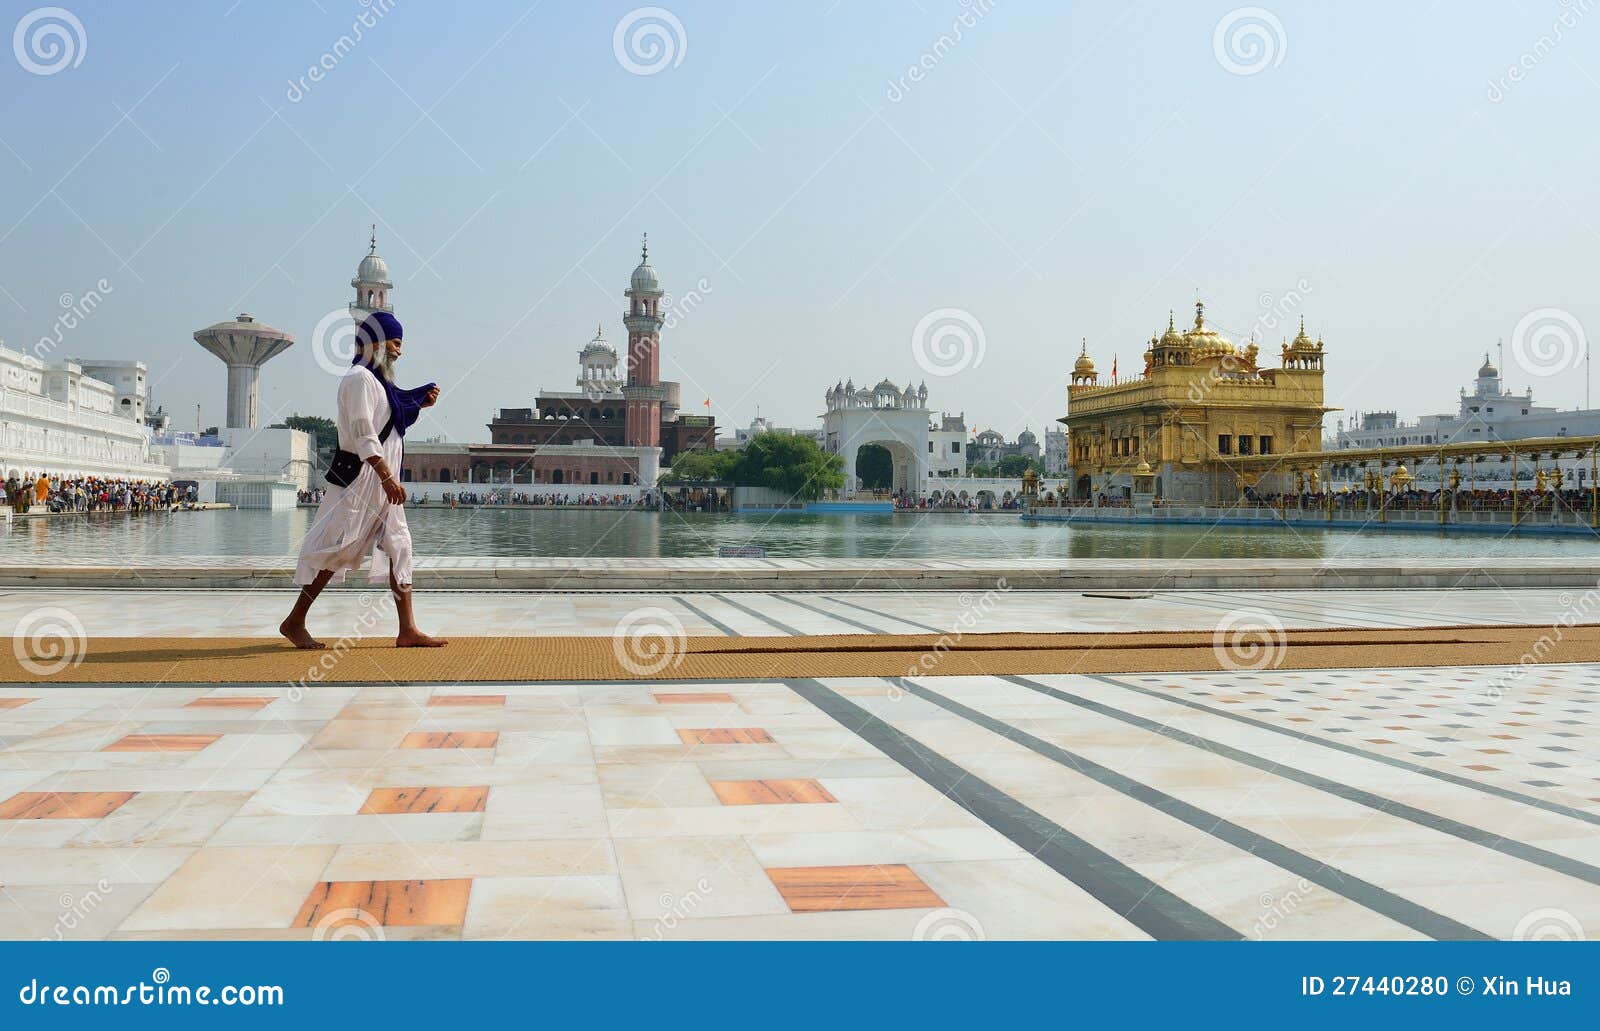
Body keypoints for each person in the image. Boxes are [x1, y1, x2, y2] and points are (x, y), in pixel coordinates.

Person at [279, 310, 447, 650]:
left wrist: (421, 403)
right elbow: (363, 432)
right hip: (361, 481)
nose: (399, 351)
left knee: (400, 546)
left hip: (381, 484)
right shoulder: (358, 379)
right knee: (338, 549)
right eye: (396, 343)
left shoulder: (379, 384)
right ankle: (295, 621)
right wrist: (386, 476)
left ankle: (407, 630)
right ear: (377, 342)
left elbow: (393, 412)